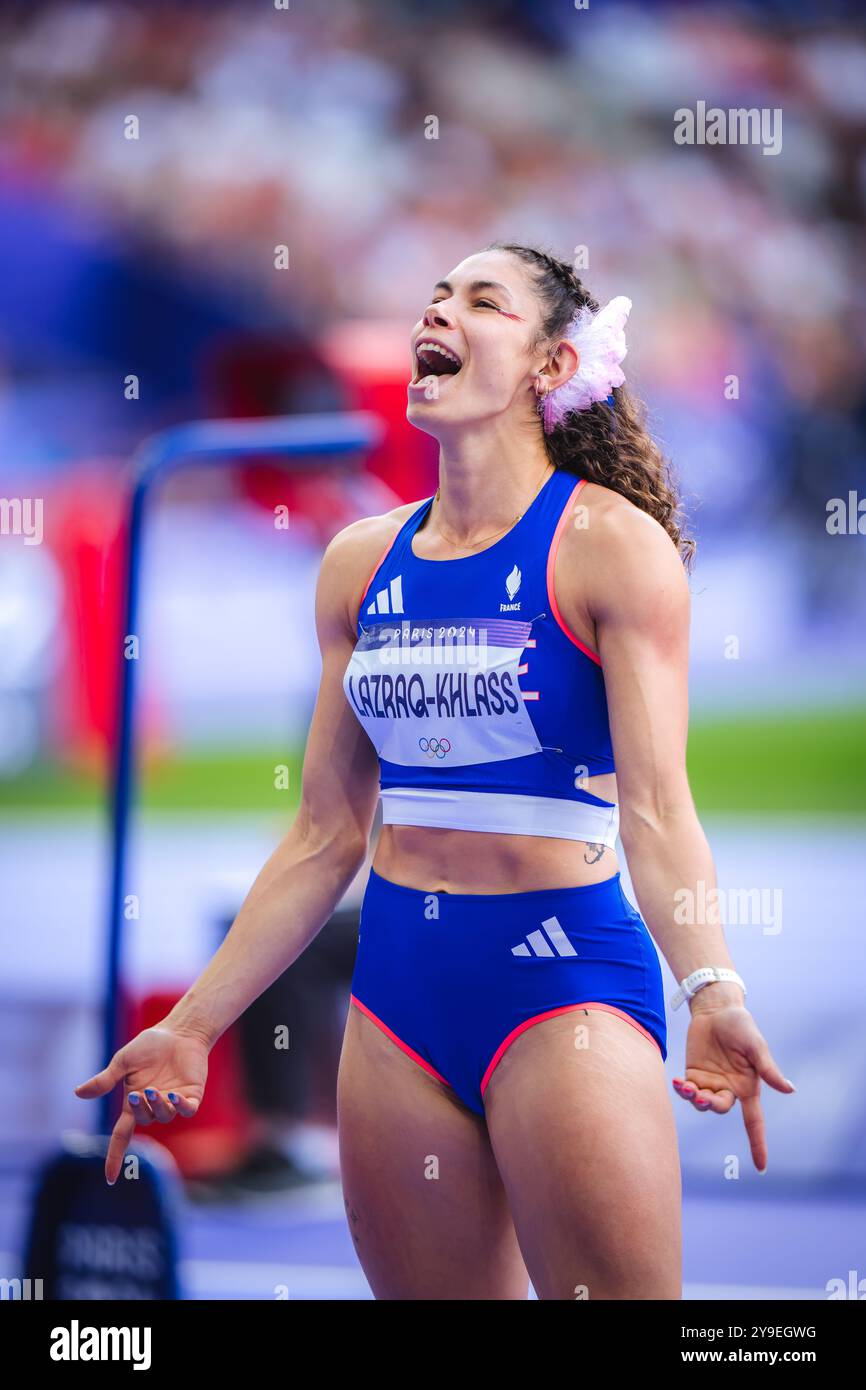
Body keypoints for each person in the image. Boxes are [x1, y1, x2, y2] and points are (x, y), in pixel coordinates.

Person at [75, 242, 794, 1300]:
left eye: (481, 301)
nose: (439, 312)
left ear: (551, 365)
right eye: (434, 297)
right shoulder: (360, 562)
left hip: (563, 988)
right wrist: (190, 1026)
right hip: (398, 1002)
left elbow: (655, 809)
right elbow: (324, 836)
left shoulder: (607, 546)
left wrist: (711, 985)